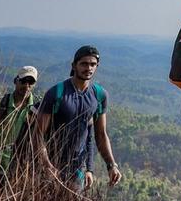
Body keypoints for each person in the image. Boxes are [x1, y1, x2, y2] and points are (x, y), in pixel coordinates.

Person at [34, 46, 122, 191]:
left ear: (97, 67)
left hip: (77, 169)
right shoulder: (56, 93)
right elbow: (38, 135)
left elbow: (100, 135)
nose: (89, 68)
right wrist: (47, 166)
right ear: (74, 65)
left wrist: (110, 165)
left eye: (93, 64)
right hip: (51, 165)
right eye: (84, 64)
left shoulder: (99, 95)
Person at [0, 65, 39, 187]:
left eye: (31, 82)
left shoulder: (37, 108)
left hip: (21, 168)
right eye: (23, 81)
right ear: (16, 81)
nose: (27, 86)